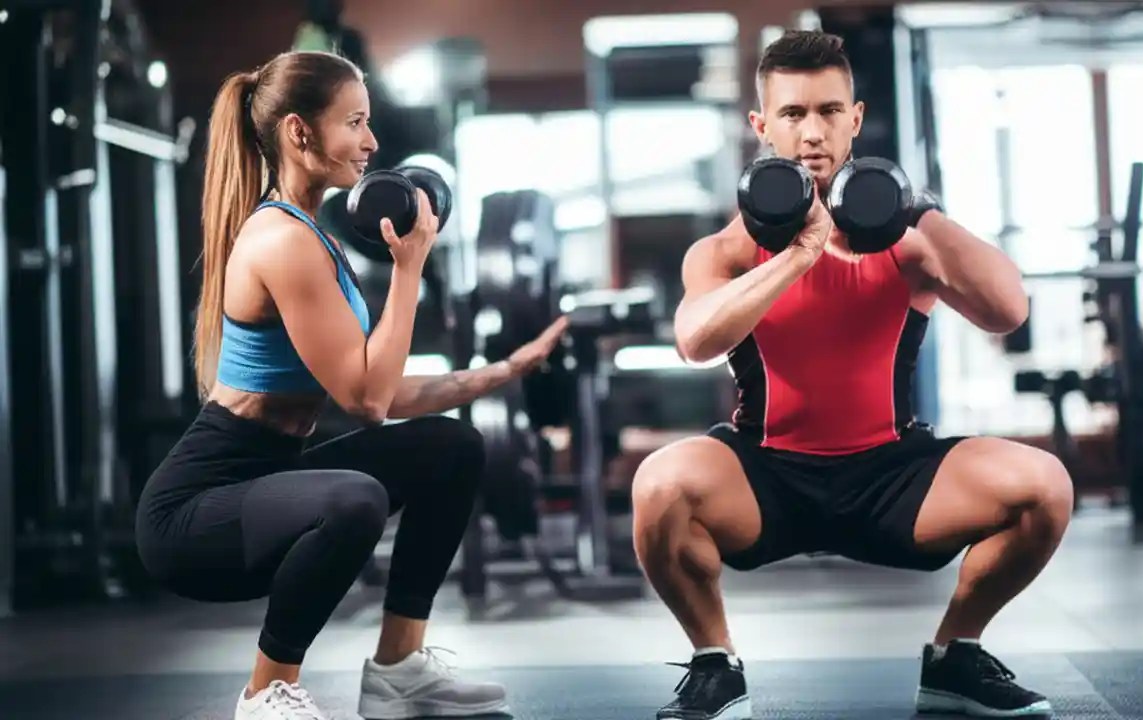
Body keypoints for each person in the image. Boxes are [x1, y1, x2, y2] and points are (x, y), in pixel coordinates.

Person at [630, 30, 1072, 720]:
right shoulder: (724, 250)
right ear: (761, 127)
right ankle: (716, 666)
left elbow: (1008, 309)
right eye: (793, 114)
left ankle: (956, 658)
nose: (813, 132)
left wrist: (917, 207)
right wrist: (799, 254)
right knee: (660, 485)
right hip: (765, 475)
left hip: (892, 477)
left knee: (1044, 487)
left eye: (830, 111)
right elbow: (695, 340)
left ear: (857, 120)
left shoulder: (910, 240)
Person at [134, 50, 567, 720]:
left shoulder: (317, 235)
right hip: (195, 514)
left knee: (451, 449)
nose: (371, 142)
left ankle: (399, 670)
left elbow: (388, 393)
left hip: (264, 480)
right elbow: (366, 405)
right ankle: (265, 694)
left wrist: (504, 371)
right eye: (355, 122)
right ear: (299, 133)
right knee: (354, 498)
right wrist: (409, 270)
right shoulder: (282, 241)